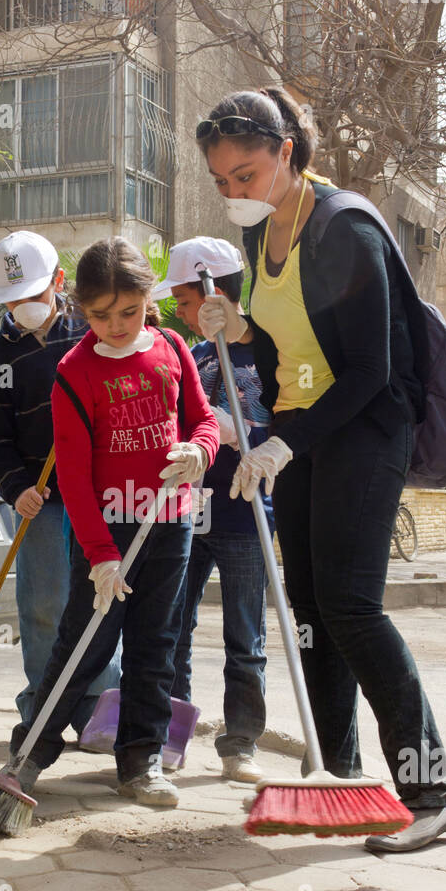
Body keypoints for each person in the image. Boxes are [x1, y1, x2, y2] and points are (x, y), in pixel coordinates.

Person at [194, 87, 446, 853]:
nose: (233, 194)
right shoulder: (258, 238)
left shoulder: (345, 227)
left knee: (350, 606)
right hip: (305, 432)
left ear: (286, 152)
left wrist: (287, 442)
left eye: (244, 175)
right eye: (221, 182)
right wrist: (241, 329)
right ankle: (335, 775)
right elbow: (286, 348)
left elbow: (372, 368)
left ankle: (431, 790)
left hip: (366, 427)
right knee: (308, 609)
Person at [0, 236, 219, 807]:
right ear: (81, 308)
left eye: (128, 311)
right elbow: (71, 475)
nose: (116, 325)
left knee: (156, 646)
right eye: (100, 316)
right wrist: (98, 553)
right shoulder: (74, 371)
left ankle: (141, 763)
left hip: (168, 525)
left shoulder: (172, 348)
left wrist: (199, 450)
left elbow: (203, 421)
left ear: (150, 299)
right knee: (84, 644)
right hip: (109, 533)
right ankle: (28, 756)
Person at [0, 230, 119, 741]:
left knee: (101, 603)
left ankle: (101, 713)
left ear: (59, 283)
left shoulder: (92, 330)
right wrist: (16, 488)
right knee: (41, 607)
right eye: (13, 300)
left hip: (101, 496)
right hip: (40, 503)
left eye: (33, 296)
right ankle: (42, 710)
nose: (24, 308)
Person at [154, 236, 274, 784]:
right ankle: (170, 734)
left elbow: (291, 423)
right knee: (174, 626)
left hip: (246, 514)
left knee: (244, 635)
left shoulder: (271, 352)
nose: (180, 315)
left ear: (214, 292)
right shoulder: (198, 354)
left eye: (184, 302)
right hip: (191, 510)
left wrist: (245, 432)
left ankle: (239, 743)